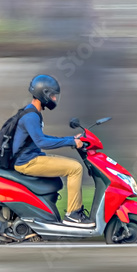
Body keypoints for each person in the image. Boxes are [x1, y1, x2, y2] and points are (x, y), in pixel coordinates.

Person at [12, 74, 93, 227]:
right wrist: (71, 142)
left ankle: (46, 214)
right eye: (52, 95)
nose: (54, 99)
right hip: (27, 162)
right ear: (43, 94)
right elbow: (41, 141)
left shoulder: (32, 113)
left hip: (30, 158)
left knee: (62, 174)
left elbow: (41, 137)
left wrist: (71, 140)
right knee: (75, 168)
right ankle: (74, 214)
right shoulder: (31, 116)